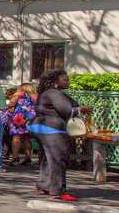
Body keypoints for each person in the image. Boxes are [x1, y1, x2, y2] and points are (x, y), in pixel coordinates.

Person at [32, 69, 91, 202]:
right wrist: (81, 109)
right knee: (59, 159)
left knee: (48, 159)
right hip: (52, 128)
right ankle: (58, 190)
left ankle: (44, 185)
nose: (68, 81)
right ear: (55, 82)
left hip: (41, 127)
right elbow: (66, 110)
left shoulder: (47, 93)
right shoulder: (54, 93)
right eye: (65, 79)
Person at [5, 83, 37, 166]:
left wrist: (5, 106)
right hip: (29, 119)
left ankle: (15, 157)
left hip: (19, 118)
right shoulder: (34, 95)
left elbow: (11, 104)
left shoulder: (18, 94)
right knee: (27, 138)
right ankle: (28, 157)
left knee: (16, 137)